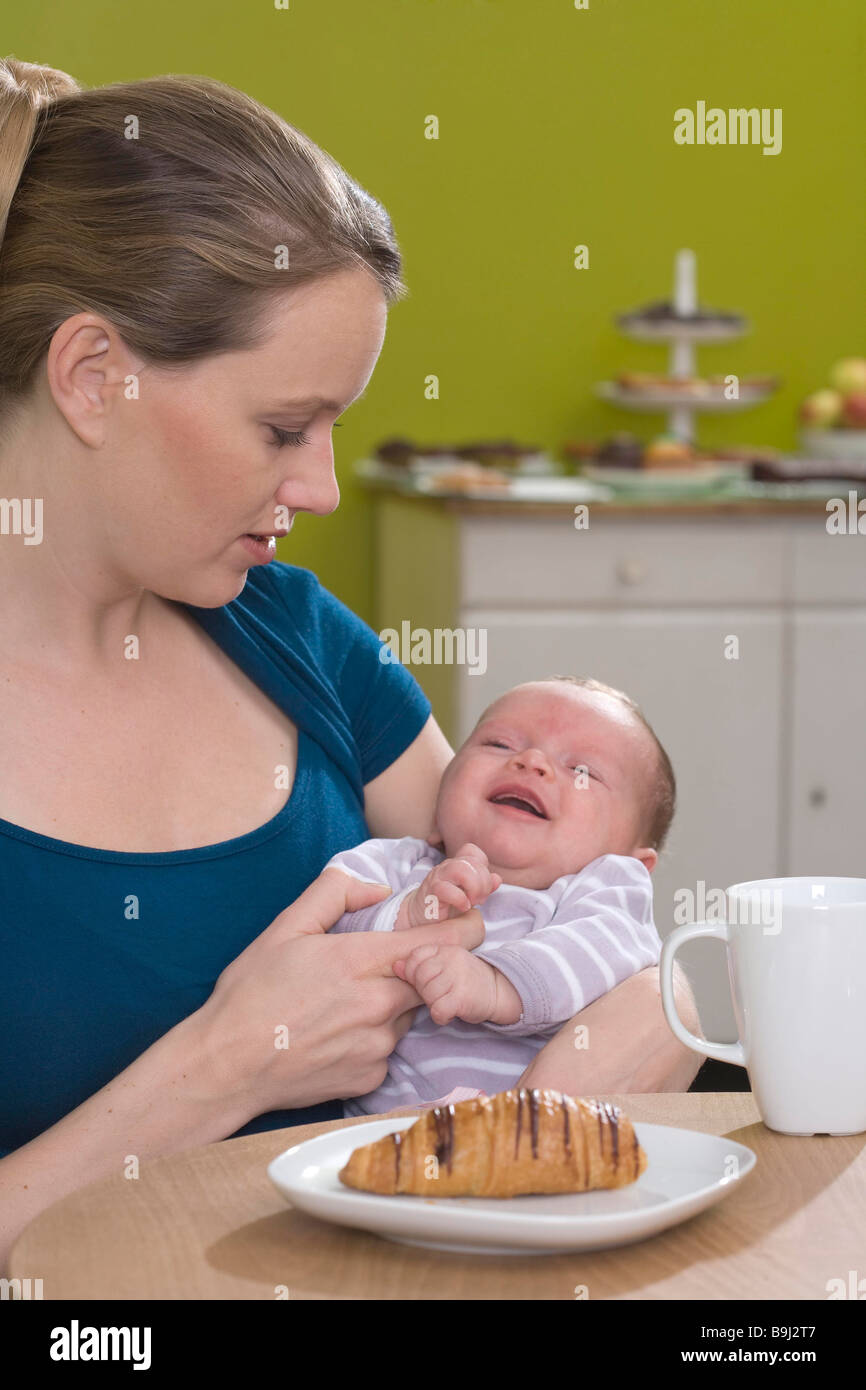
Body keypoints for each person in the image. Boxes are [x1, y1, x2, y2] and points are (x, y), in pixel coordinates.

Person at [0, 58, 701, 1268]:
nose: (321, 488)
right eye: (281, 427)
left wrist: (568, 1084)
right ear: (92, 375)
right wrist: (224, 1066)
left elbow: (614, 937)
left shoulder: (297, 637)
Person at [324, 676, 673, 1114]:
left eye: (582, 770)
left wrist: (495, 985)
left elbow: (602, 950)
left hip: (535, 1143)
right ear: (438, 810)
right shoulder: (399, 865)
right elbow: (333, 924)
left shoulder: (604, 892)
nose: (531, 762)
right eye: (499, 745)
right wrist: (409, 912)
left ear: (632, 863)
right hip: (377, 1138)